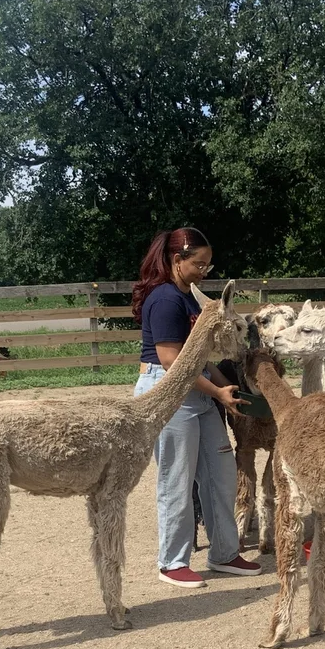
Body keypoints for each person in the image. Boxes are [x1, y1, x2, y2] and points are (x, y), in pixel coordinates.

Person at [131, 228, 261, 588]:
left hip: (198, 388)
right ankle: (172, 562)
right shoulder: (165, 300)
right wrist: (217, 393)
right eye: (198, 264)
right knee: (177, 478)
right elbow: (172, 361)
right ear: (177, 260)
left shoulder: (191, 297)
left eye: (208, 264)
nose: (205, 271)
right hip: (169, 391)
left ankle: (224, 552)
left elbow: (199, 358)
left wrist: (224, 387)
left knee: (220, 472)